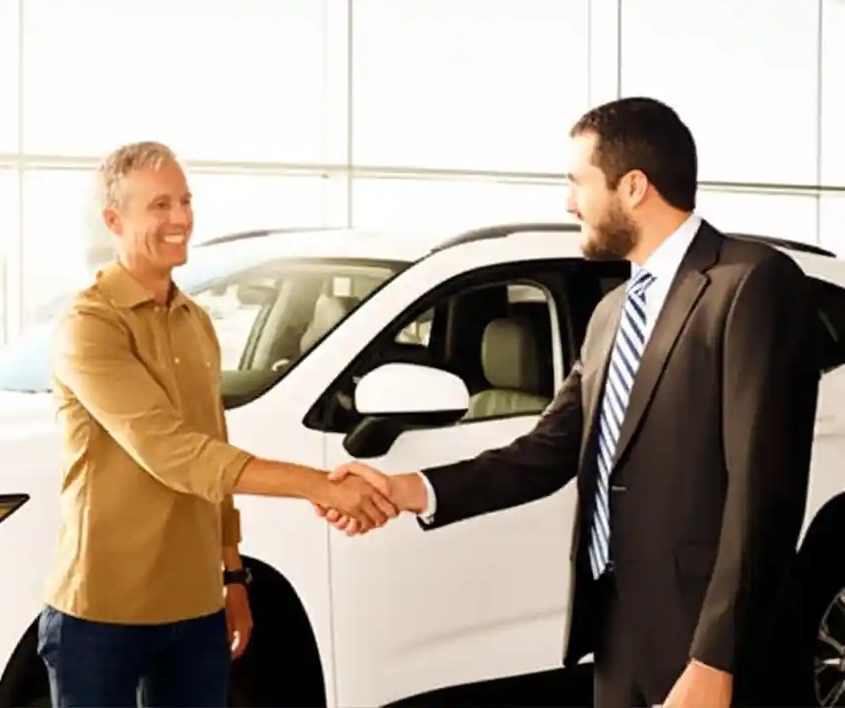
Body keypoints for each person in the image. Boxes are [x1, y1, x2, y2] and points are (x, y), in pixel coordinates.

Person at [322, 97, 821, 707]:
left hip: (709, 646)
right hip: (616, 632)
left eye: (576, 181)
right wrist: (407, 489)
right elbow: (544, 452)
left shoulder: (751, 285)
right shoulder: (612, 314)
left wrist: (718, 657)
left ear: (633, 186)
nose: (568, 202)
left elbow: (762, 493)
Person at [39, 140, 397, 707]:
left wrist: (232, 576)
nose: (180, 218)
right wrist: (319, 485)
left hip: (196, 608)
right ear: (114, 219)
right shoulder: (89, 324)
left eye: (184, 200)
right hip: (105, 612)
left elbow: (213, 448)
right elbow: (175, 454)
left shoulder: (195, 320)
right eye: (159, 205)